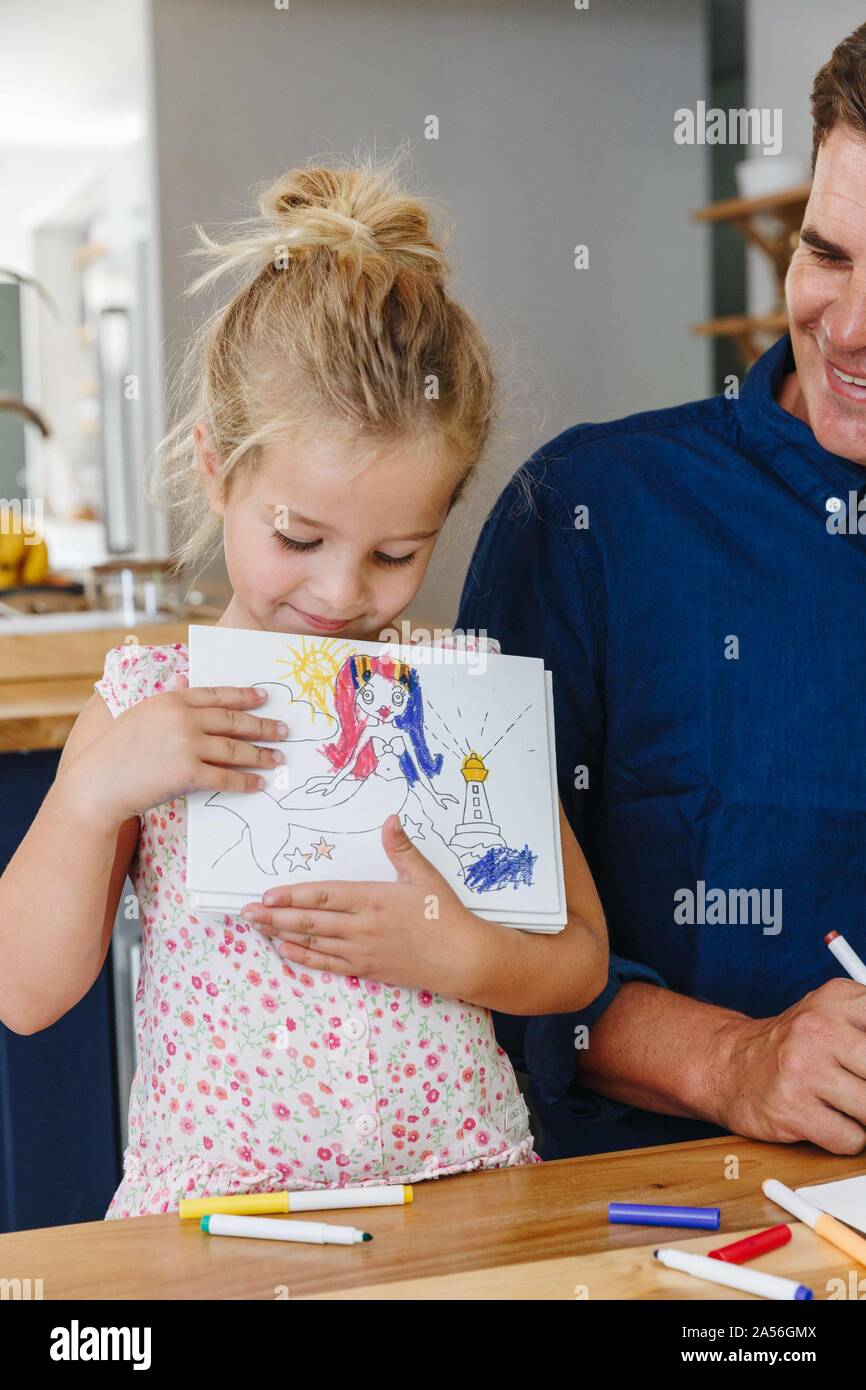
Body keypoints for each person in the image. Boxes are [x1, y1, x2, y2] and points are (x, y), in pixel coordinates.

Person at [0, 157, 608, 1217]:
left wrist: (459, 952)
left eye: (394, 553)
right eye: (299, 536)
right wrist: (90, 791)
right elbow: (26, 995)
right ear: (214, 469)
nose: (338, 594)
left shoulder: (452, 690)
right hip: (215, 1224)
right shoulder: (148, 694)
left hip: (457, 1196)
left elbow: (579, 960)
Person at [458, 23, 866, 1161]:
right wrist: (735, 1061)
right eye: (825, 255)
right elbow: (473, 937)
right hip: (651, 1227)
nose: (847, 330)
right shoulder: (592, 515)